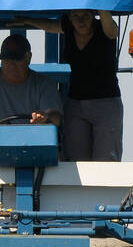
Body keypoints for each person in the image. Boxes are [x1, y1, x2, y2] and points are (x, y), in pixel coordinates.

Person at [21, 10, 123, 161]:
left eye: (86, 16)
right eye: (76, 16)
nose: (81, 21)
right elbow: (50, 26)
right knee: (75, 160)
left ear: (94, 15)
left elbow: (111, 29)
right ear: (69, 17)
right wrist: (27, 20)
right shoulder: (68, 27)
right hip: (75, 104)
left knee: (106, 161)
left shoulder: (106, 29)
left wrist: (98, 1)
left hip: (105, 103)